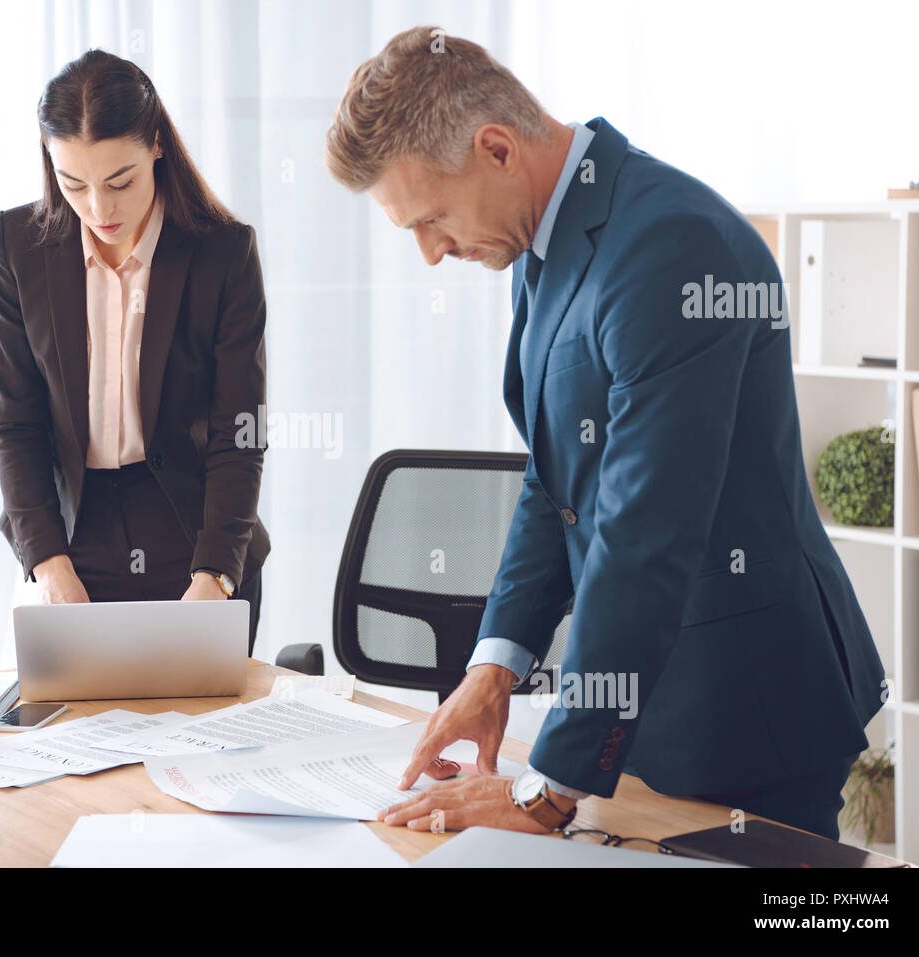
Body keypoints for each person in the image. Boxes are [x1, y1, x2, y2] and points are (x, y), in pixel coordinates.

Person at [323, 27, 885, 840]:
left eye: (433, 218)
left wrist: (541, 793)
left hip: (746, 705)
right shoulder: (540, 238)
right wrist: (494, 668)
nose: (431, 253)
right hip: (646, 708)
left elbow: (643, 530)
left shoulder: (670, 248)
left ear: (496, 150)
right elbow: (557, 478)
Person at [0, 50, 270, 655]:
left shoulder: (224, 253)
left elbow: (239, 432)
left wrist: (216, 576)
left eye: (120, 182)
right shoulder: (18, 247)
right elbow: (15, 423)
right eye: (73, 185)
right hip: (71, 534)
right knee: (75, 742)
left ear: (158, 147)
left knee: (199, 738)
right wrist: (47, 563)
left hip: (194, 533)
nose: (99, 209)